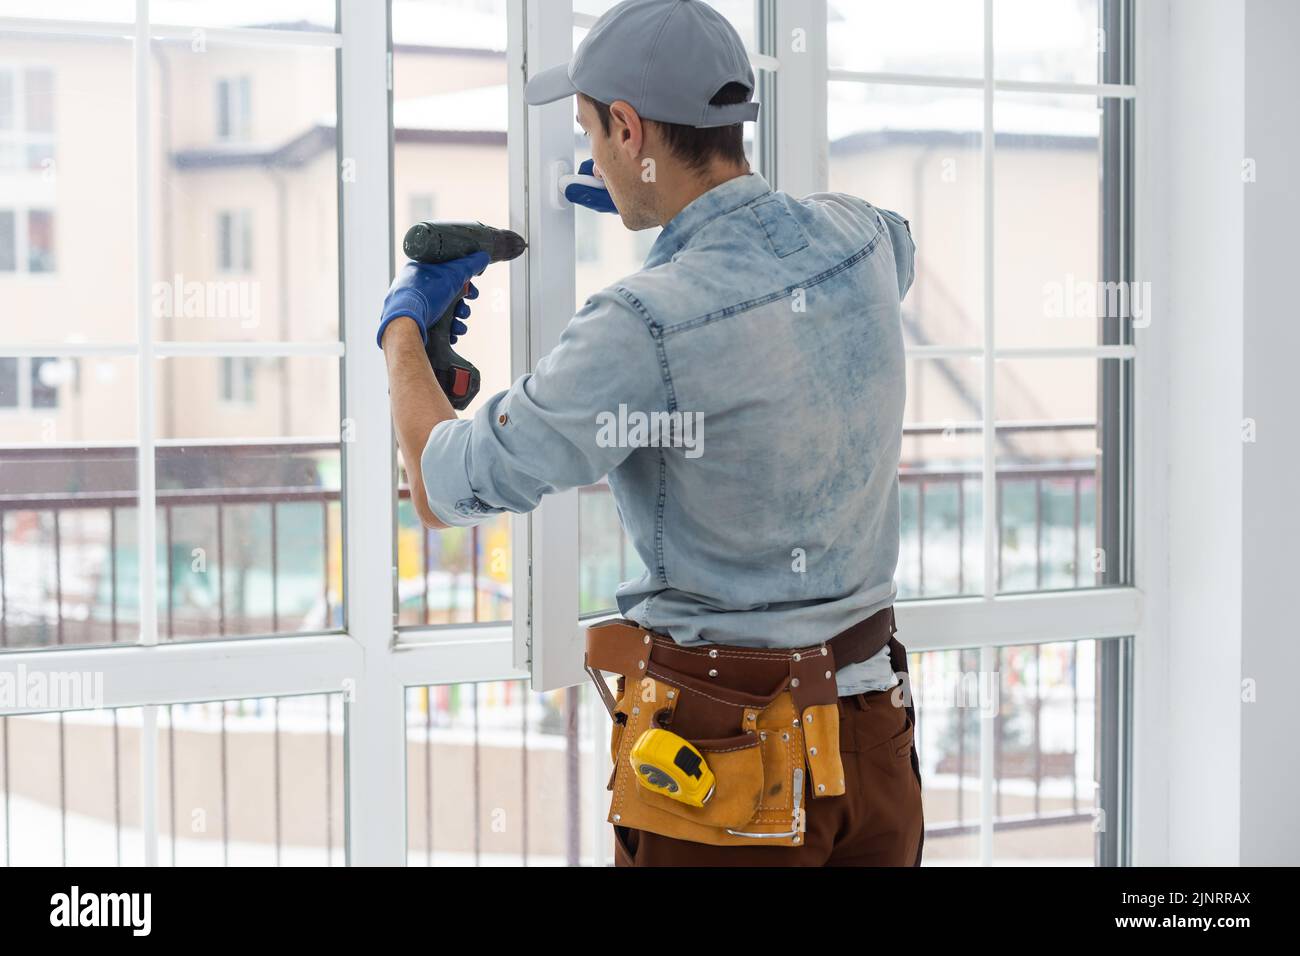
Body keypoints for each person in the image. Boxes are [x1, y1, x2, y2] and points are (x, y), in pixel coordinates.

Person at [377, 0, 921, 866]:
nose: (591, 151)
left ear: (630, 130)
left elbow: (443, 488)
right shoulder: (859, 236)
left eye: (594, 131)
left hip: (728, 777)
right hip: (873, 749)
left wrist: (405, 328)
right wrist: (680, 216)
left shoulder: (641, 326)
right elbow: (894, 249)